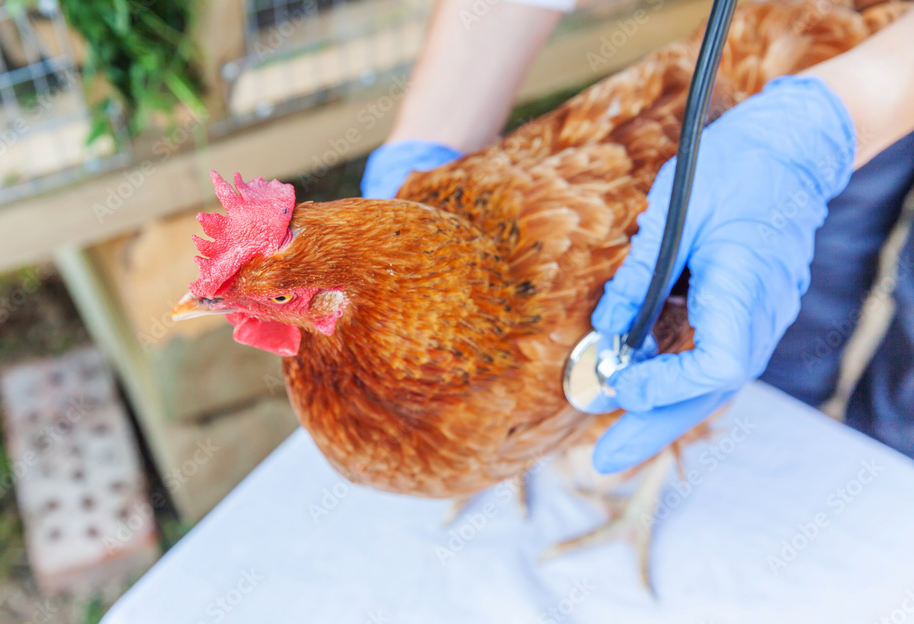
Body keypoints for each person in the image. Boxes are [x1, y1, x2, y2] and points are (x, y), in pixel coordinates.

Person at [359, 0, 914, 473]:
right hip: (787, 46)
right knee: (776, 312)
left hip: (811, 62)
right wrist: (430, 140)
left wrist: (824, 124)